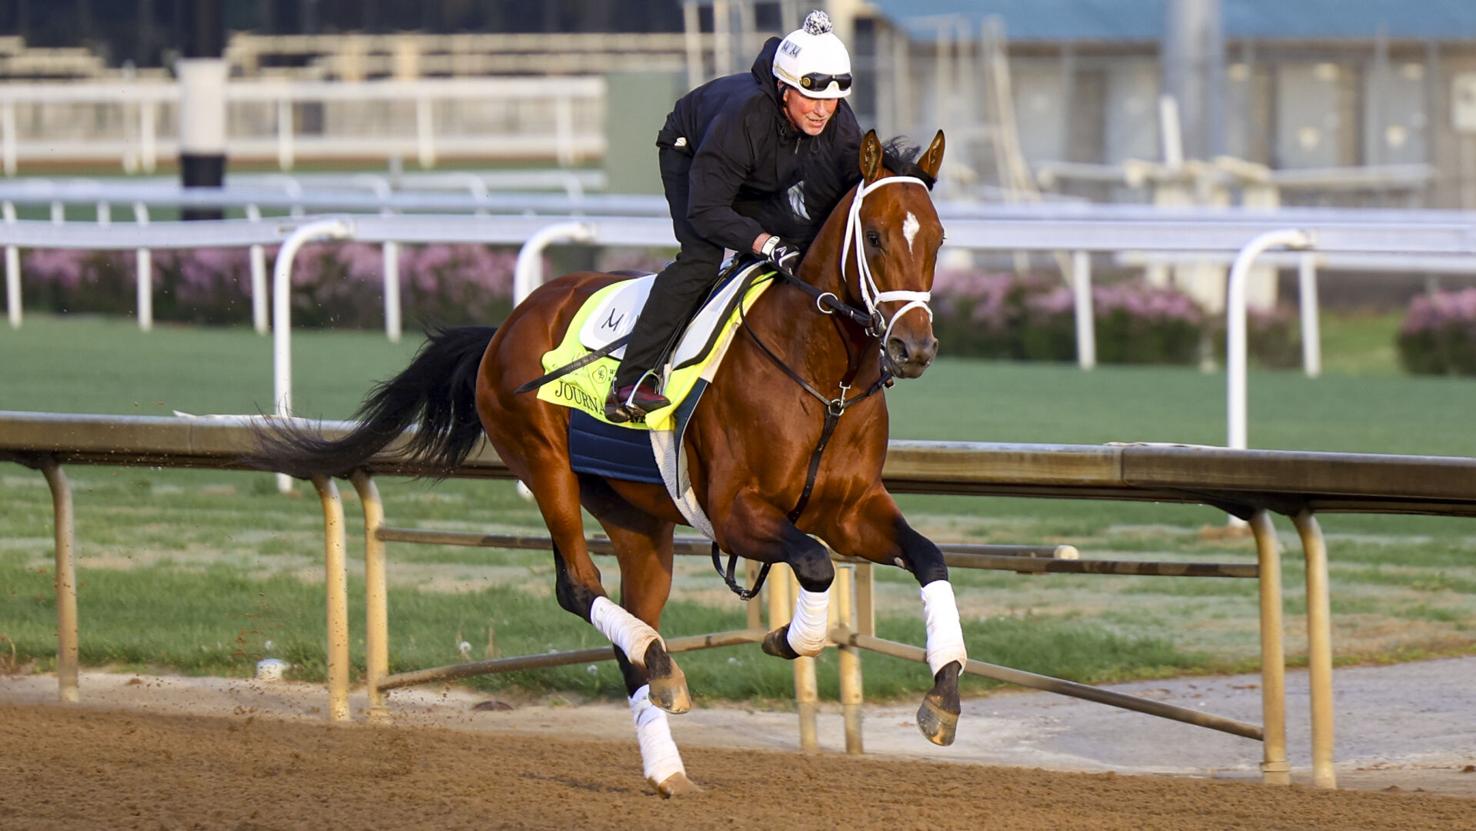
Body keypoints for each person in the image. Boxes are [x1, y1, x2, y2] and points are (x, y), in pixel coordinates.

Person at [604, 9, 862, 423]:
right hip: (691, 155)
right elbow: (707, 211)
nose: (823, 110)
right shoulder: (745, 117)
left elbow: (857, 187)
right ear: (783, 89)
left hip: (753, 174)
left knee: (806, 245)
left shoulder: (837, 121)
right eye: (812, 97)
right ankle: (632, 382)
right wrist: (763, 243)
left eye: (832, 99)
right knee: (702, 260)